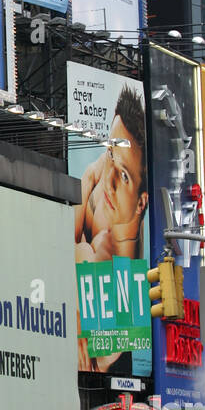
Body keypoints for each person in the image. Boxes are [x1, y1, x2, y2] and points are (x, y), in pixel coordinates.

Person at [75, 84, 148, 373]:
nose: (110, 180)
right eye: (110, 154)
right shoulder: (95, 197)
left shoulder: (124, 276)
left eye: (125, 176)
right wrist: (91, 172)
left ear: (142, 202)